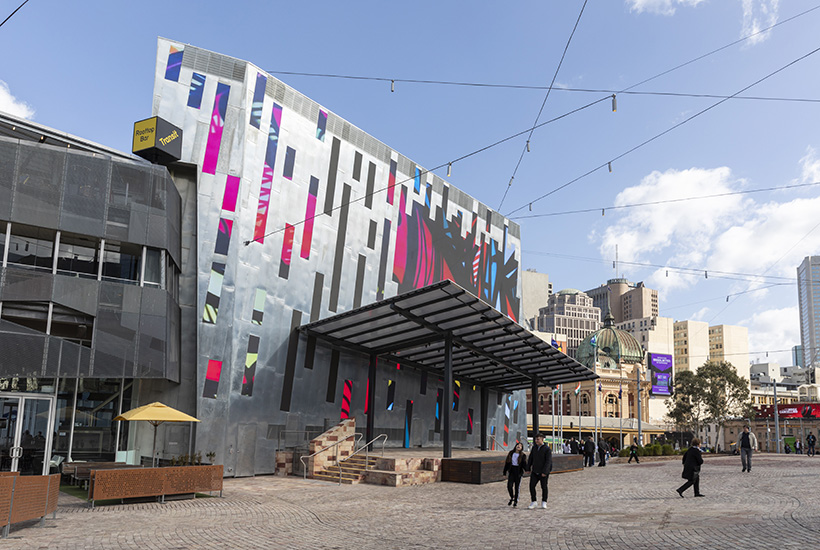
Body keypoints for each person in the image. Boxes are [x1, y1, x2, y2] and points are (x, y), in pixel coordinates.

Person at [526, 433, 552, 509]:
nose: (536, 441)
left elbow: (548, 461)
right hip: (535, 471)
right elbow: (531, 458)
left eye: (538, 439)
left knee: (543, 487)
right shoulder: (534, 448)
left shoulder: (547, 449)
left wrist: (545, 472)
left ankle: (544, 501)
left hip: (543, 472)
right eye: (535, 439)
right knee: (531, 486)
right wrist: (528, 468)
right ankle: (533, 501)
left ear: (542, 439)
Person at [503, 442, 527, 508]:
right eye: (518, 445)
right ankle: (512, 497)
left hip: (518, 472)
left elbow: (524, 464)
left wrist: (527, 470)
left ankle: (516, 500)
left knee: (517, 487)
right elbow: (507, 463)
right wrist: (504, 472)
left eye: (520, 446)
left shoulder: (522, 455)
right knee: (509, 486)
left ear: (522, 448)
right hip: (512, 471)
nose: (519, 446)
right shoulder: (511, 453)